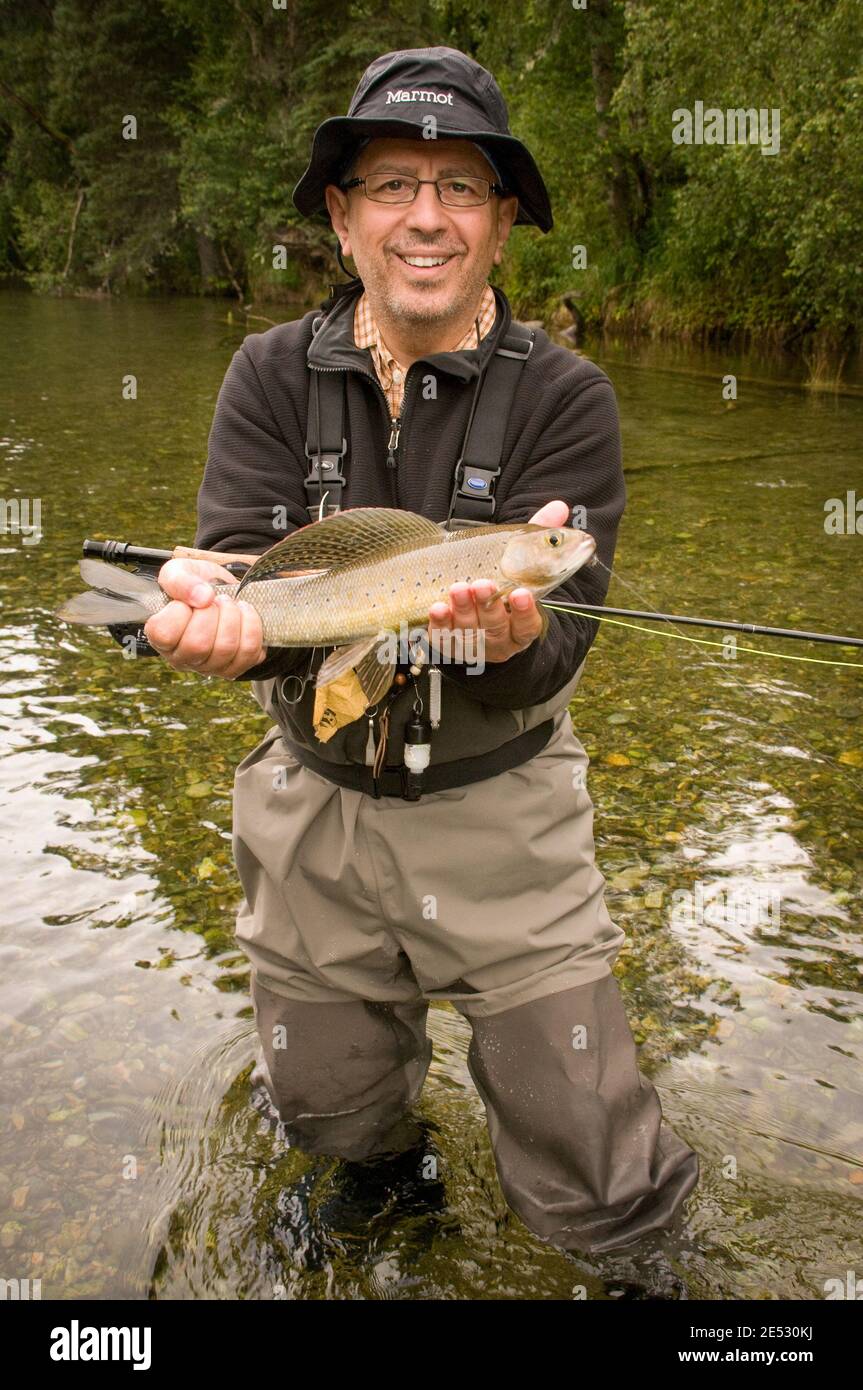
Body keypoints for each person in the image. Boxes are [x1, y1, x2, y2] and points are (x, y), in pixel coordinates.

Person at [143, 46, 699, 1263]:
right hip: (313, 809)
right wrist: (211, 624)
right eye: (393, 182)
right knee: (330, 1108)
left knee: (594, 1155)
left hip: (502, 807)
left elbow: (555, 653)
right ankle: (389, 1202)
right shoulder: (267, 375)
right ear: (342, 218)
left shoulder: (568, 397)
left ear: (501, 225)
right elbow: (240, 566)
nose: (425, 217)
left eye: (460, 188)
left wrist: (513, 633)